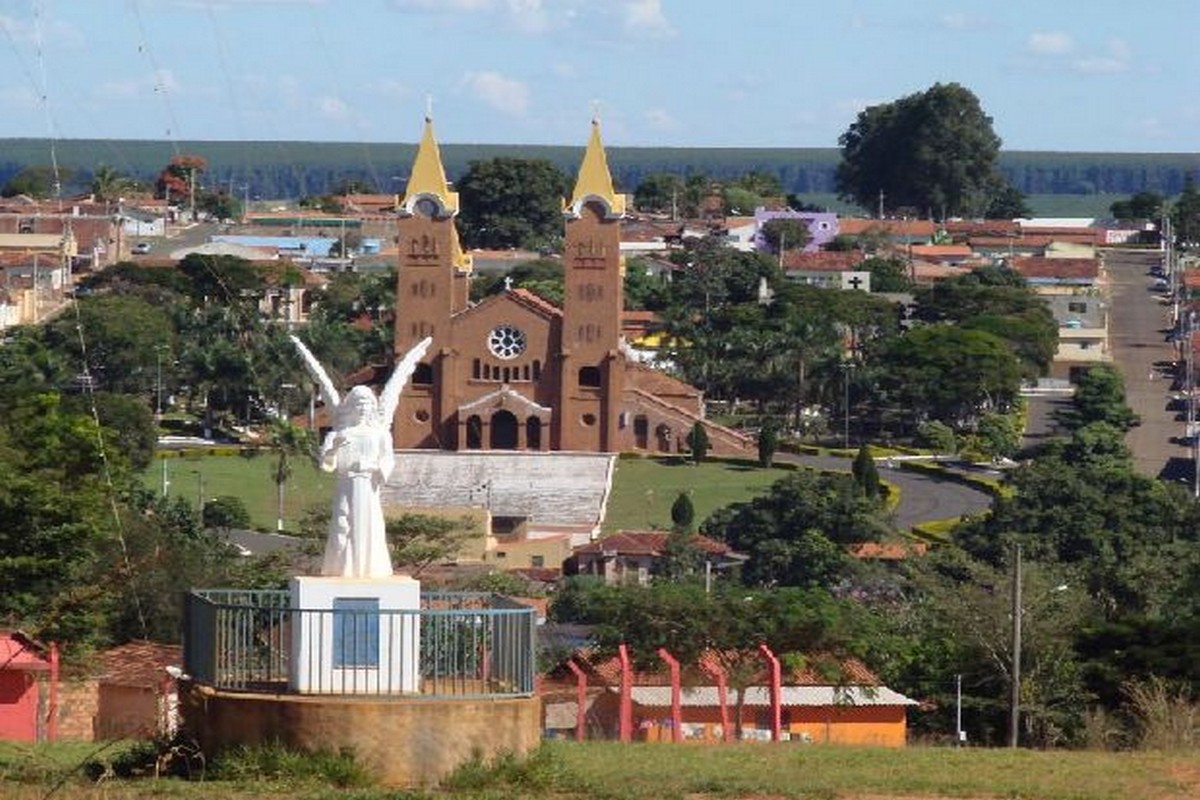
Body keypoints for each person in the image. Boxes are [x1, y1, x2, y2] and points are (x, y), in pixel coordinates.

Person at [319, 385, 395, 578]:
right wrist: (333, 449)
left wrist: (372, 467)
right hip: (347, 485)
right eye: (358, 403)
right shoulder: (337, 434)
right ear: (350, 406)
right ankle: (343, 568)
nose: (362, 408)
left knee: (371, 527)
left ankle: (370, 568)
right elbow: (327, 464)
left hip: (369, 487)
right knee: (343, 526)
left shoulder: (380, 434)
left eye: (367, 404)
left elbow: (387, 459)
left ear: (372, 407)